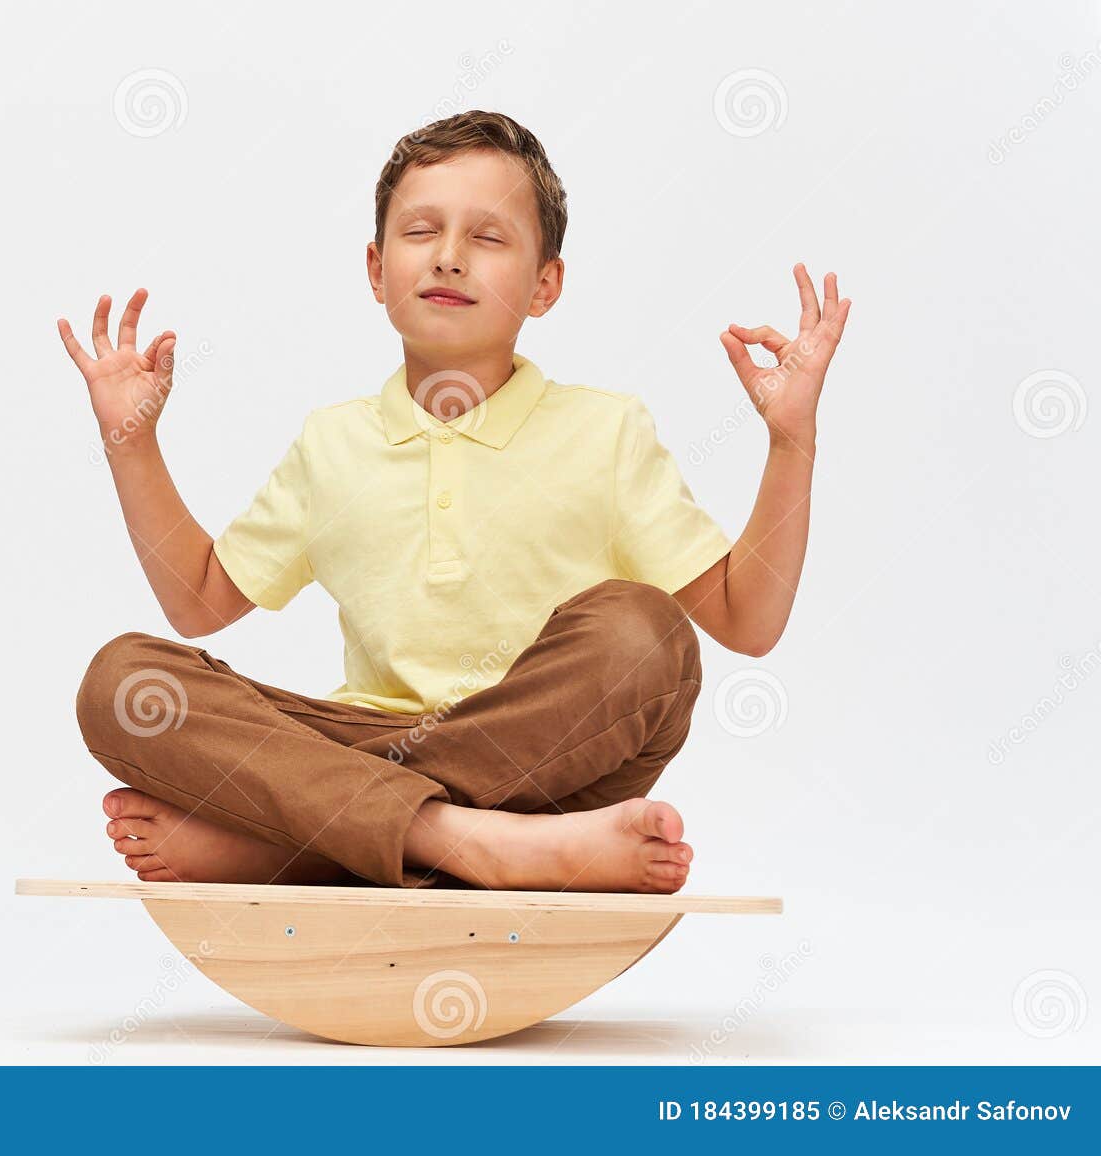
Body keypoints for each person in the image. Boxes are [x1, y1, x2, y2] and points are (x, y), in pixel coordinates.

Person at [56, 110, 850, 892]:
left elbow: (748, 622)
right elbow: (197, 601)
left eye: (489, 237)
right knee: (122, 683)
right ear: (376, 271)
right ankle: (474, 841)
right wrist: (132, 438)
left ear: (546, 285)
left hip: (549, 765)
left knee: (647, 635)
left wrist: (791, 440)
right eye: (421, 232)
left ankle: (303, 842)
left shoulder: (606, 431)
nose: (448, 258)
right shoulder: (331, 443)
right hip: (376, 746)